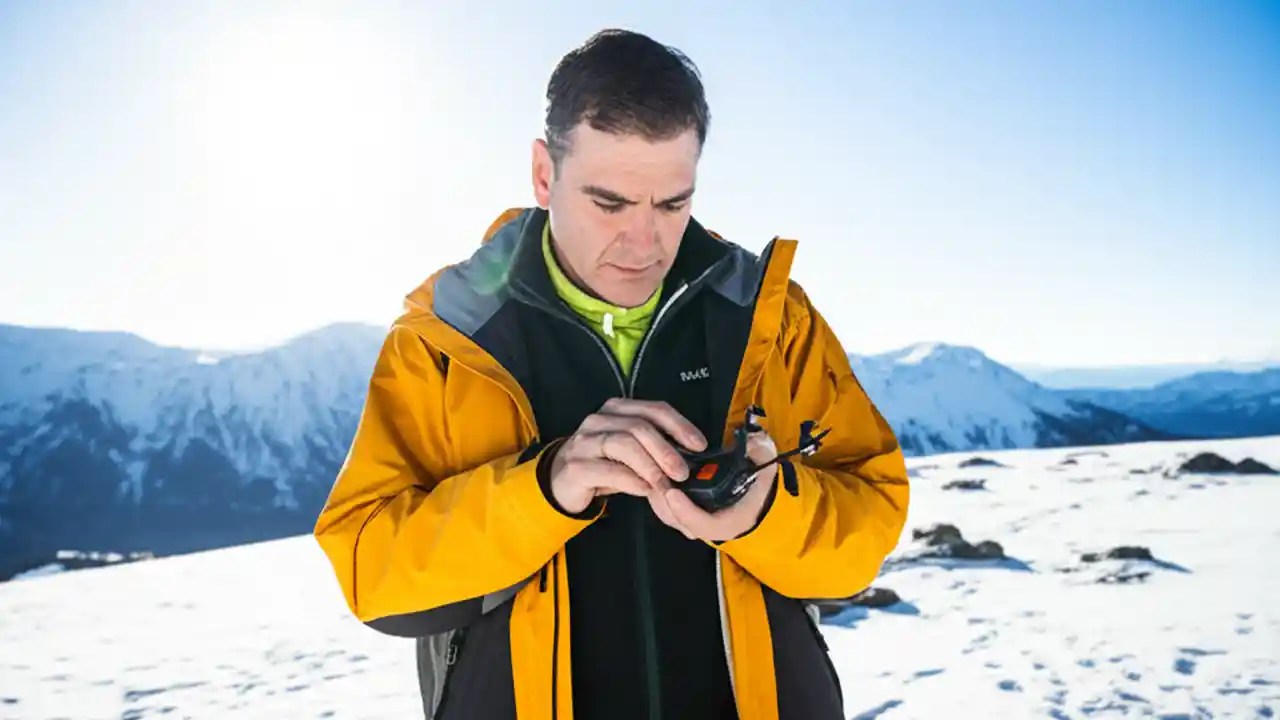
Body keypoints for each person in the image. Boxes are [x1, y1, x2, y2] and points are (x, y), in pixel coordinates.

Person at [313, 28, 910, 720]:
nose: (645, 242)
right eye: (609, 204)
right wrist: (545, 487)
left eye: (672, 203)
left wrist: (767, 513)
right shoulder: (443, 339)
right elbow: (372, 573)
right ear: (544, 175)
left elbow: (867, 528)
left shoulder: (773, 320)